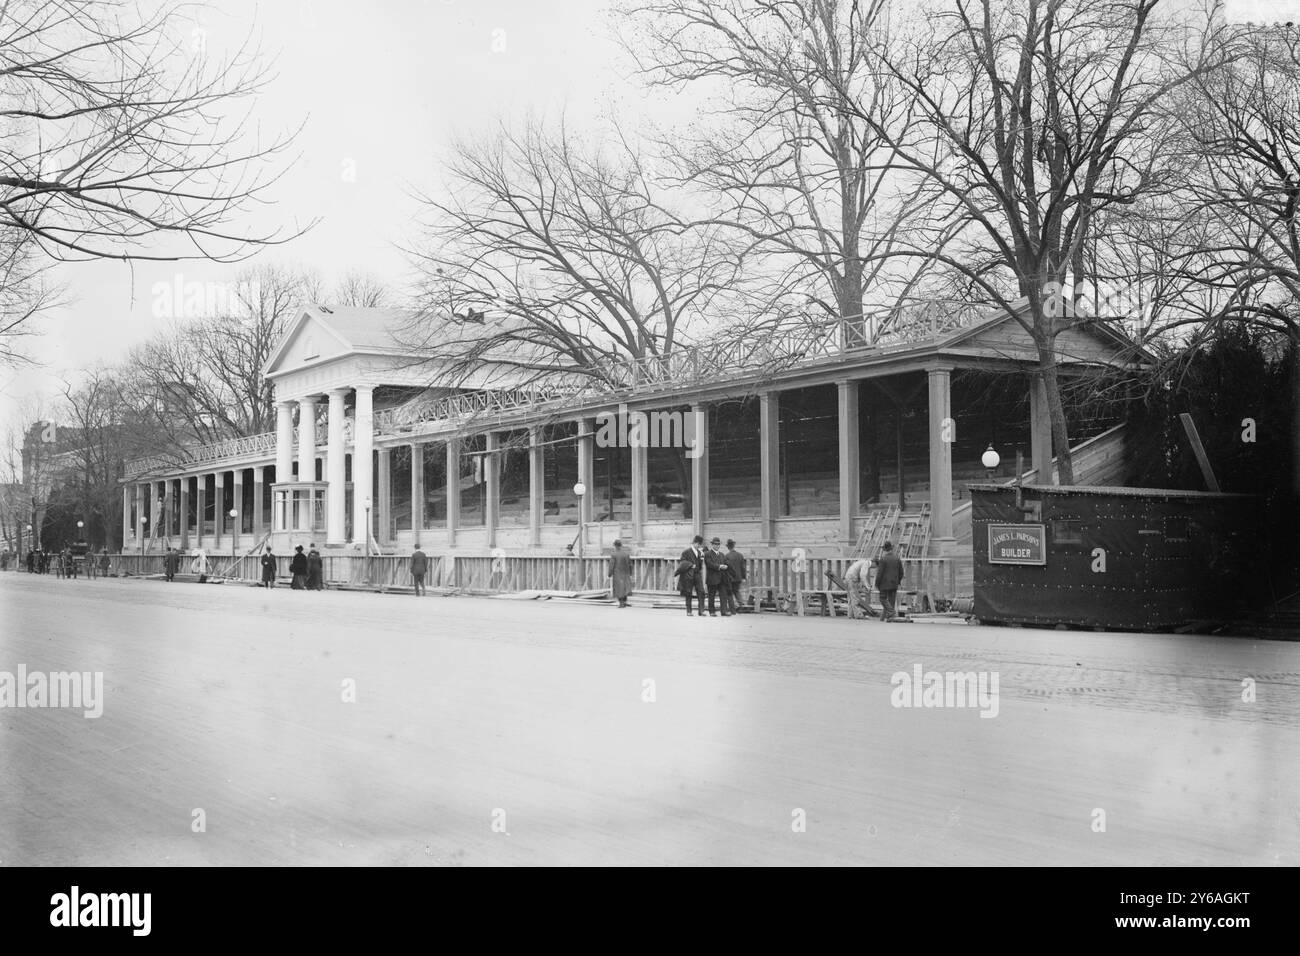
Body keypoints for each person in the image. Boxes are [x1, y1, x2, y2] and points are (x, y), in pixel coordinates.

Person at [675, 534, 706, 617]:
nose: (699, 546)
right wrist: (691, 565)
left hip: (697, 575)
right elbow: (682, 562)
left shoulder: (700, 552)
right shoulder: (686, 552)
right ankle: (689, 611)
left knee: (701, 592)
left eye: (700, 545)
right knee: (688, 592)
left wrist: (702, 558)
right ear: (695, 543)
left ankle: (701, 611)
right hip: (688, 575)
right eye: (699, 544)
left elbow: (700, 565)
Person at [874, 540, 904, 622]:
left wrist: (877, 583)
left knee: (882, 598)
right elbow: (901, 572)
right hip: (894, 583)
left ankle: (891, 612)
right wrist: (898, 581)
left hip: (884, 583)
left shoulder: (883, 559)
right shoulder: (897, 558)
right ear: (891, 549)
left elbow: (880, 573)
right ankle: (889, 617)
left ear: (885, 550)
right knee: (891, 600)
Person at [704, 537, 733, 617]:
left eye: (718, 544)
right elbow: (709, 564)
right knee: (711, 596)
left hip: (722, 578)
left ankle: (724, 611)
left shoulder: (722, 555)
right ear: (712, 545)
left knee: (723, 595)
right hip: (712, 578)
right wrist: (719, 566)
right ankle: (712, 611)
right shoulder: (708, 554)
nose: (717, 546)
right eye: (715, 544)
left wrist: (727, 566)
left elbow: (726, 563)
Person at [608, 539, 632, 608]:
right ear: (621, 545)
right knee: (625, 587)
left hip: (617, 573)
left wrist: (609, 573)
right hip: (626, 573)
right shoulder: (626, 554)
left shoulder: (614, 554)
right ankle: (625, 602)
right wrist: (630, 573)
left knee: (619, 588)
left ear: (615, 546)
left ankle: (621, 603)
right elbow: (630, 564)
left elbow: (611, 565)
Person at [724, 539, 747, 611]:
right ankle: (741, 603)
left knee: (729, 591)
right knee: (736, 591)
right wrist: (744, 577)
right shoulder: (740, 555)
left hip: (730, 577)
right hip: (738, 577)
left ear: (728, 547)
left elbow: (726, 568)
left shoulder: (727, 556)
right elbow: (743, 568)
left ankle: (732, 606)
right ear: (734, 546)